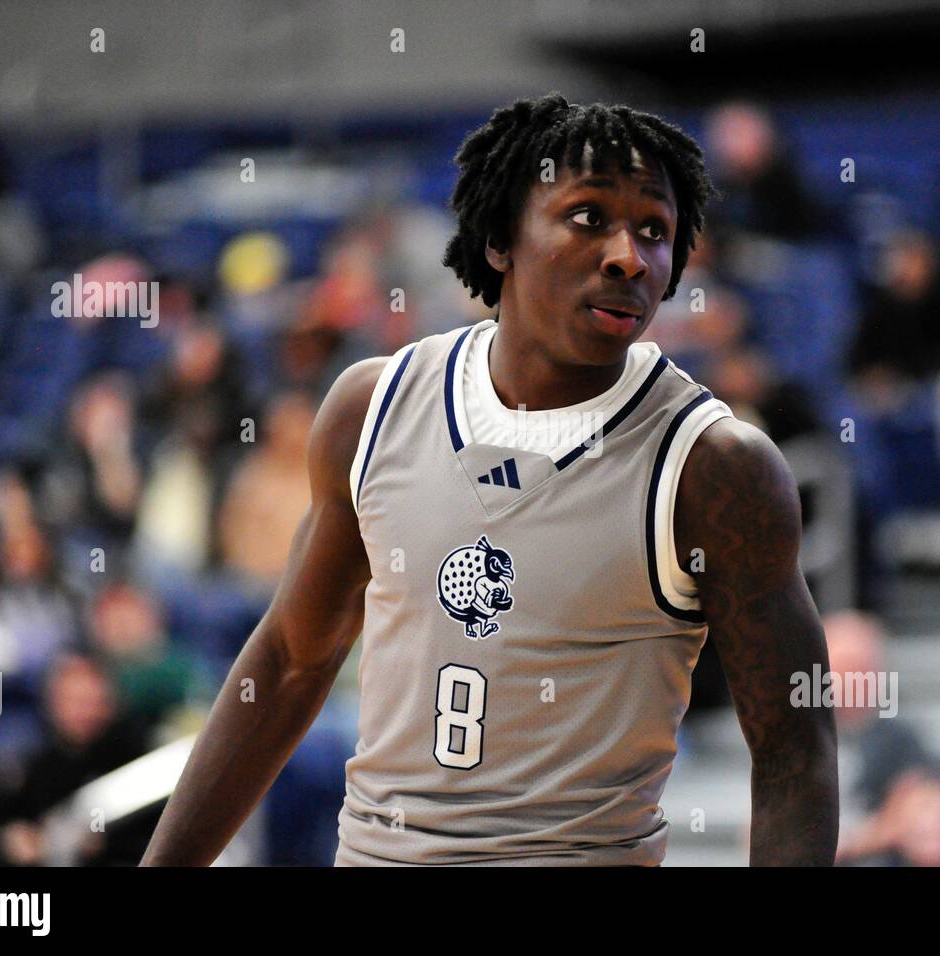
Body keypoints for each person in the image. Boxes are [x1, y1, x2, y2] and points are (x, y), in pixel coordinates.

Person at [141, 93, 837, 867]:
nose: (629, 256)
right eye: (588, 216)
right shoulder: (372, 408)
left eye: (655, 231)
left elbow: (794, 756)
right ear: (502, 237)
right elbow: (290, 662)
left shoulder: (715, 466)